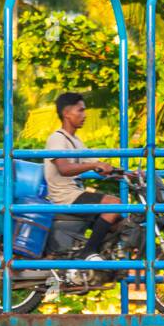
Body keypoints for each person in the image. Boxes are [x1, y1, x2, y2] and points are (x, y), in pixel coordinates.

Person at [43, 91, 122, 265]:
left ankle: (105, 261)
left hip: (75, 193)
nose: (84, 115)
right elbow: (64, 168)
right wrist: (94, 166)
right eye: (80, 110)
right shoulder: (57, 138)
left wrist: (127, 173)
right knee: (114, 203)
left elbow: (97, 163)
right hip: (65, 196)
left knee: (120, 221)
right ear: (66, 113)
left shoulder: (76, 141)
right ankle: (88, 252)